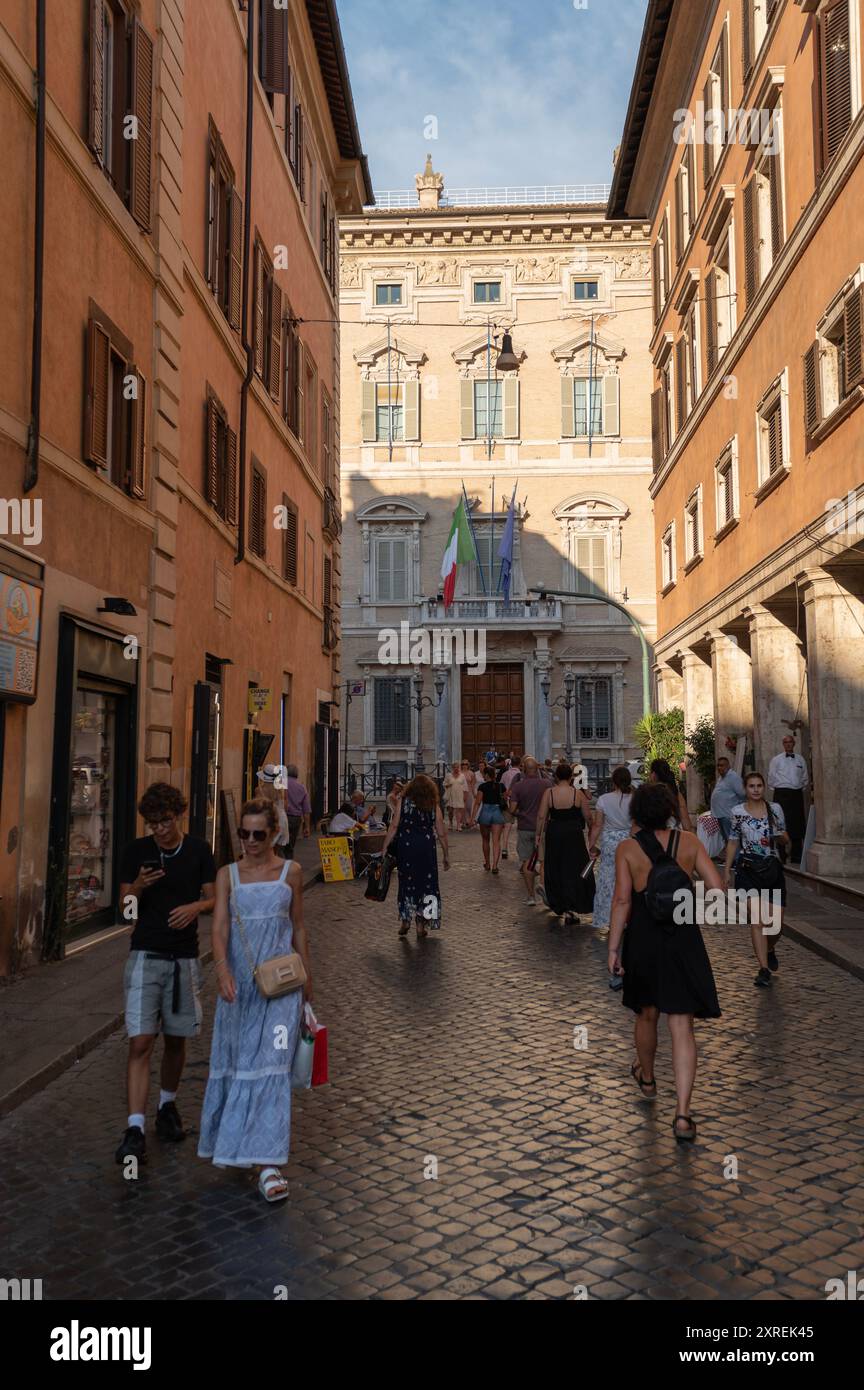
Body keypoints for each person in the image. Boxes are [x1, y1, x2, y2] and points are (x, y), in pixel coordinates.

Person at [198, 799, 312, 1202]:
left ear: (274, 833)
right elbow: (219, 930)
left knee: (273, 1068)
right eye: (243, 834)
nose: (249, 841)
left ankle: (267, 1164)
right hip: (240, 989)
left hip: (281, 986)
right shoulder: (227, 874)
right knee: (241, 1065)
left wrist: (307, 983)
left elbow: (298, 927)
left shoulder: (292, 872)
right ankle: (239, 1144)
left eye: (258, 834)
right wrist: (223, 972)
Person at [608, 782, 722, 1144]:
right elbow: (717, 888)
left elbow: (622, 902)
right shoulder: (688, 842)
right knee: (682, 1025)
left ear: (638, 813)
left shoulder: (628, 848)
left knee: (646, 1013)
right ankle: (684, 1115)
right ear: (670, 810)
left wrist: (613, 949)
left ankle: (648, 1078)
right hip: (683, 938)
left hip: (643, 938)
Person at [115, 784, 216, 1166]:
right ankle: (135, 1129)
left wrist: (196, 907)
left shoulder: (197, 851)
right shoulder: (135, 852)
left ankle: (167, 1107)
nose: (159, 829)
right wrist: (138, 887)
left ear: (179, 815)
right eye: (153, 823)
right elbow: (125, 914)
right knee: (140, 1042)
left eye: (165, 821)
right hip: (144, 955)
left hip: (184, 958)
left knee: (176, 1040)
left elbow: (214, 896)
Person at [724, 772, 789, 987]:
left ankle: (770, 947)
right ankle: (763, 969)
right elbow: (733, 841)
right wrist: (727, 870)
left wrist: (781, 836)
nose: (755, 789)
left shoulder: (775, 809)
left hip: (772, 869)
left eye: (759, 785)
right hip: (747, 869)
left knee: (775, 924)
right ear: (745, 788)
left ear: (764, 788)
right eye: (751, 786)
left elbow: (785, 838)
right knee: (757, 920)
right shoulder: (737, 813)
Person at [381, 773, 450, 938]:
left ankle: (405, 919)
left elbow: (394, 825)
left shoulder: (403, 803)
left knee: (406, 883)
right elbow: (441, 832)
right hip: (426, 848)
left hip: (406, 847)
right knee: (428, 885)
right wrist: (446, 854)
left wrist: (384, 846)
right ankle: (421, 924)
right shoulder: (433, 805)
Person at [535, 763, 595, 924]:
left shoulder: (549, 793)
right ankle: (572, 905)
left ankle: (561, 903)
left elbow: (541, 816)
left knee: (555, 866)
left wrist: (538, 835)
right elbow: (588, 816)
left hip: (555, 832)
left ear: (555, 776)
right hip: (573, 833)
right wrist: (592, 832)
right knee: (575, 868)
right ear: (570, 777)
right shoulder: (577, 794)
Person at [588, 765, 634, 933]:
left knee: (608, 880)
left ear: (613, 781)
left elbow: (597, 825)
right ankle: (628, 918)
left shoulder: (604, 799)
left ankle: (608, 919)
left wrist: (591, 844)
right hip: (628, 842)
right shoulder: (635, 799)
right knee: (628, 880)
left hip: (609, 843)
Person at [507, 756, 548, 906]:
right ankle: (543, 886)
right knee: (543, 861)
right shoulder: (546, 784)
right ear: (537, 768)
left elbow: (512, 809)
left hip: (524, 827)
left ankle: (531, 896)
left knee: (527, 862)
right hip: (542, 828)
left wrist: (519, 813)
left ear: (523, 769)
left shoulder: (518, 786)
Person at [767, 736, 809, 865]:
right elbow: (771, 778)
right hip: (782, 794)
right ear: (783, 744)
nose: (788, 744)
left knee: (798, 824)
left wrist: (797, 788)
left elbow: (805, 777)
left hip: (796, 794)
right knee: (780, 823)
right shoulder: (776, 760)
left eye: (790, 742)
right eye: (785, 742)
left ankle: (796, 856)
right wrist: (782, 789)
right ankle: (782, 855)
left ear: (794, 743)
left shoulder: (801, 759)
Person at [472, 765, 506, 872]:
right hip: (497, 813)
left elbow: (477, 803)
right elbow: (505, 799)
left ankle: (487, 863)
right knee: (496, 841)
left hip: (485, 813)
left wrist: (473, 817)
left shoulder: (482, 787)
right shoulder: (501, 786)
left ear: (486, 775)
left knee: (485, 840)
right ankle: (495, 865)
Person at [256, 765, 292, 857]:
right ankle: (283, 870)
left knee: (267, 851)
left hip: (270, 820)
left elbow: (258, 808)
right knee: (279, 852)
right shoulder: (281, 789)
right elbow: (286, 806)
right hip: (282, 819)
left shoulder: (260, 790)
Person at [709, 757, 746, 846]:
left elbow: (742, 794)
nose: (719, 768)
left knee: (732, 840)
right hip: (721, 814)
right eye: (718, 766)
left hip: (728, 815)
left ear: (728, 766)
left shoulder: (733, 777)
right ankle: (731, 859)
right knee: (727, 839)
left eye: (722, 765)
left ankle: (735, 859)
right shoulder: (721, 777)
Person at [649, 758, 692, 831]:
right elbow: (686, 824)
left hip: (655, 837)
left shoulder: (649, 795)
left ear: (654, 775)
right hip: (675, 835)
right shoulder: (675, 793)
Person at [281, 764, 312, 855]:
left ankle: (279, 861)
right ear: (297, 774)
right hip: (295, 819)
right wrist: (307, 827)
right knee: (290, 844)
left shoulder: (281, 784)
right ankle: (288, 862)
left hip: (283, 816)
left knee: (280, 842)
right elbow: (306, 810)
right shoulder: (302, 788)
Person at [499, 756, 522, 860]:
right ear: (520, 763)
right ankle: (521, 850)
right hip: (521, 803)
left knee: (507, 826)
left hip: (508, 802)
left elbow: (502, 788)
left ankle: (504, 848)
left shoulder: (505, 774)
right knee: (522, 827)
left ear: (511, 763)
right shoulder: (522, 775)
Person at [443, 761, 467, 831]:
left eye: (457, 767)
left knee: (459, 810)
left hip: (459, 794)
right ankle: (450, 823)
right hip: (451, 794)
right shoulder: (448, 775)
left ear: (459, 768)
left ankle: (458, 825)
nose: (456, 769)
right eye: (455, 767)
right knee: (450, 810)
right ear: (452, 768)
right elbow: (444, 783)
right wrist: (447, 785)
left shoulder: (462, 776)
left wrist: (465, 795)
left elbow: (465, 786)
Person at [461, 760, 478, 829]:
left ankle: (471, 821)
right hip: (461, 792)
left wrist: (474, 793)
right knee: (462, 808)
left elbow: (473, 784)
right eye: (463, 764)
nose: (464, 765)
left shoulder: (471, 773)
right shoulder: (459, 772)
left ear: (468, 765)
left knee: (469, 807)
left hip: (469, 791)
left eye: (466, 764)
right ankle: (464, 822)